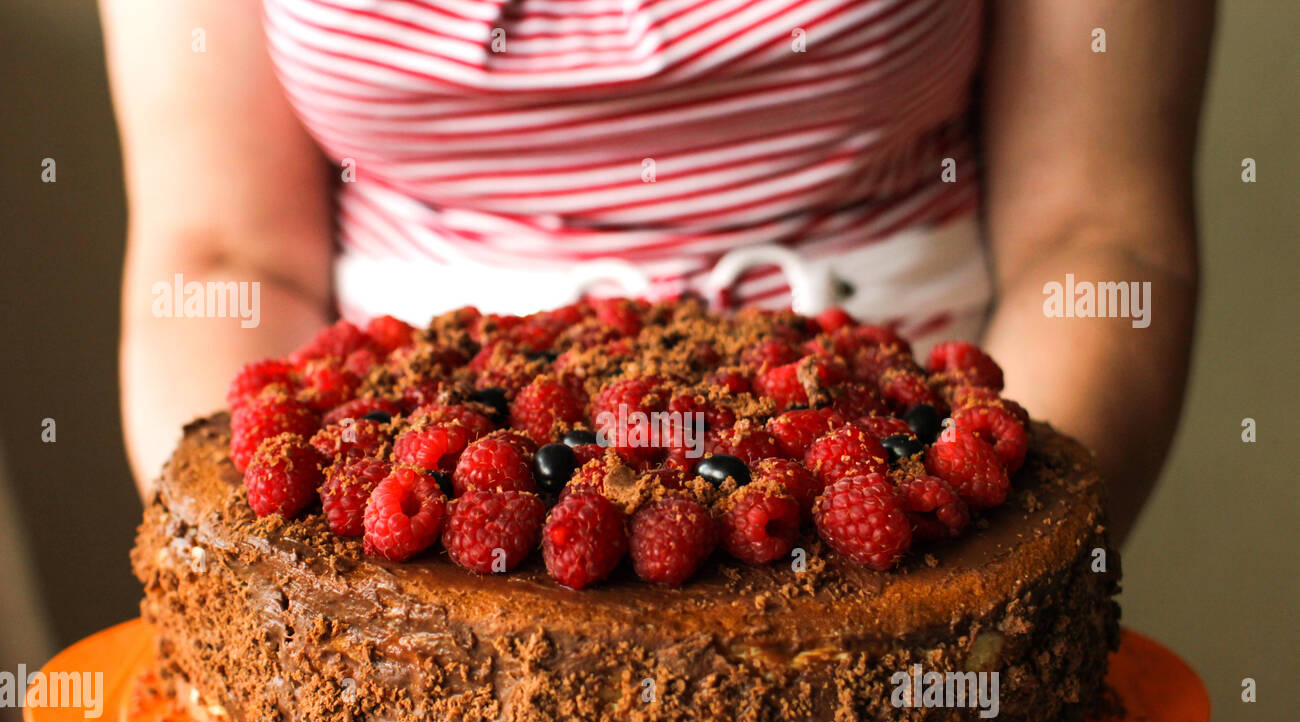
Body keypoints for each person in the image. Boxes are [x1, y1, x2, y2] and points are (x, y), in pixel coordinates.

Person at [101, 0, 1214, 543]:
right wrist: (273, 589)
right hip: (411, 482)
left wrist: (971, 590)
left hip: (885, 469)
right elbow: (220, 253)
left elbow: (1097, 231)